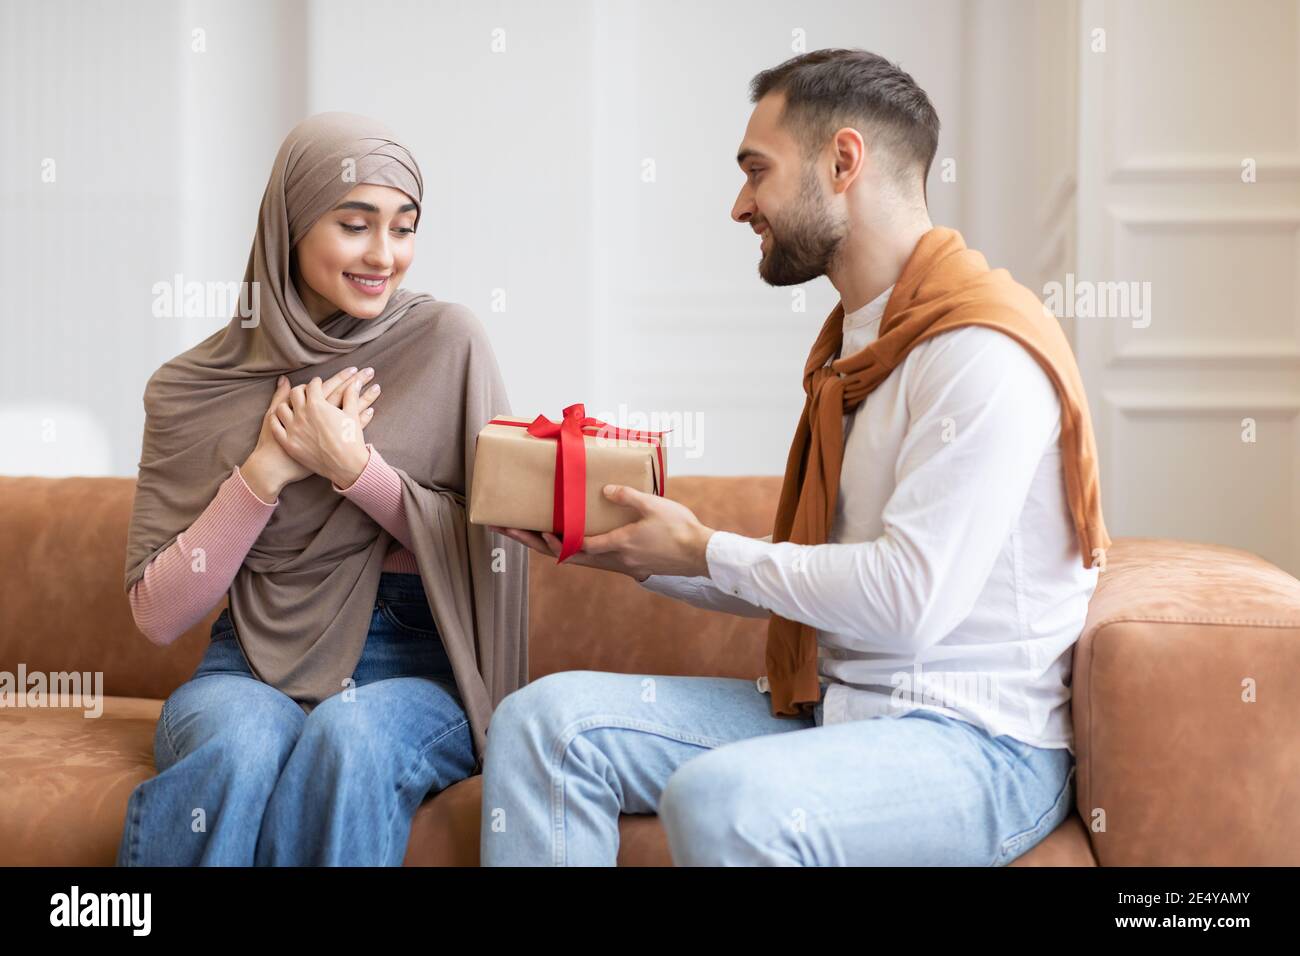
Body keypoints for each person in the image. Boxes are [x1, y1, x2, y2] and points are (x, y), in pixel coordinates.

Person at [483, 49, 1110, 866]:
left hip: (974, 741)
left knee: (723, 800)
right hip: (838, 708)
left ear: (842, 161)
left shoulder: (980, 350)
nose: (741, 205)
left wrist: (705, 548)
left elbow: (907, 600)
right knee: (543, 726)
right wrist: (633, 554)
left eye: (757, 171)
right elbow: (820, 576)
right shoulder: (856, 349)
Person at [116, 112, 527, 866]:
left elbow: (498, 545)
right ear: (292, 225)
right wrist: (266, 469)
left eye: (404, 228)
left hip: (414, 668)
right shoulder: (192, 388)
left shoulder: (449, 343)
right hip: (246, 668)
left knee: (350, 737)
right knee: (239, 743)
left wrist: (353, 471)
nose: (384, 254)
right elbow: (156, 613)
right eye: (355, 224)